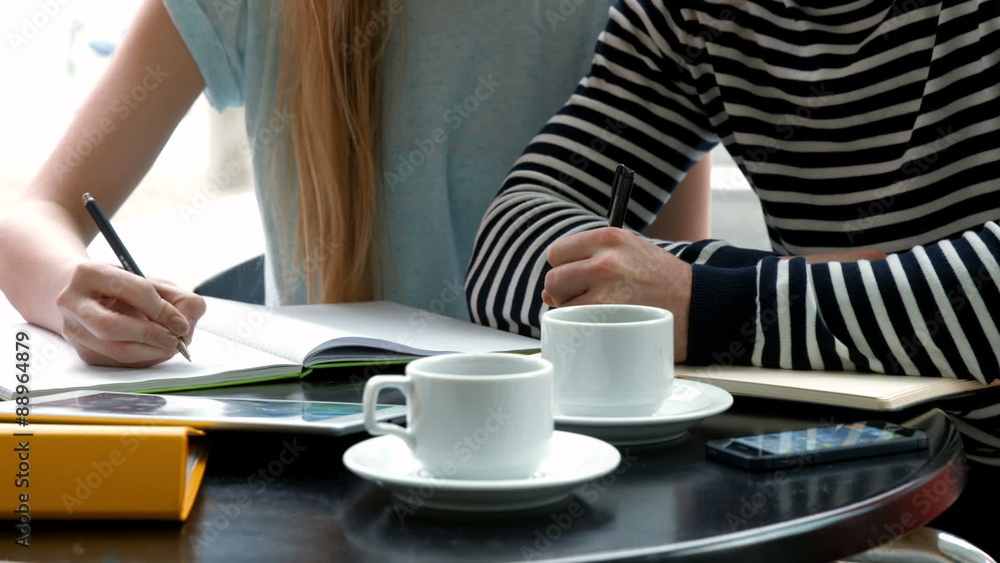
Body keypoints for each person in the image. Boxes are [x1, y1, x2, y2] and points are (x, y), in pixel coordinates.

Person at [464, 0, 1000, 553]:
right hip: (837, 476)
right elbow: (509, 246)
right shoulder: (689, 14)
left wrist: (704, 302)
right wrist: (735, 287)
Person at [0, 0, 712, 368]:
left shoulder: (656, 20)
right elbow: (35, 218)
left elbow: (673, 283)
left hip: (585, 453)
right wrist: (77, 296)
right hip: (320, 465)